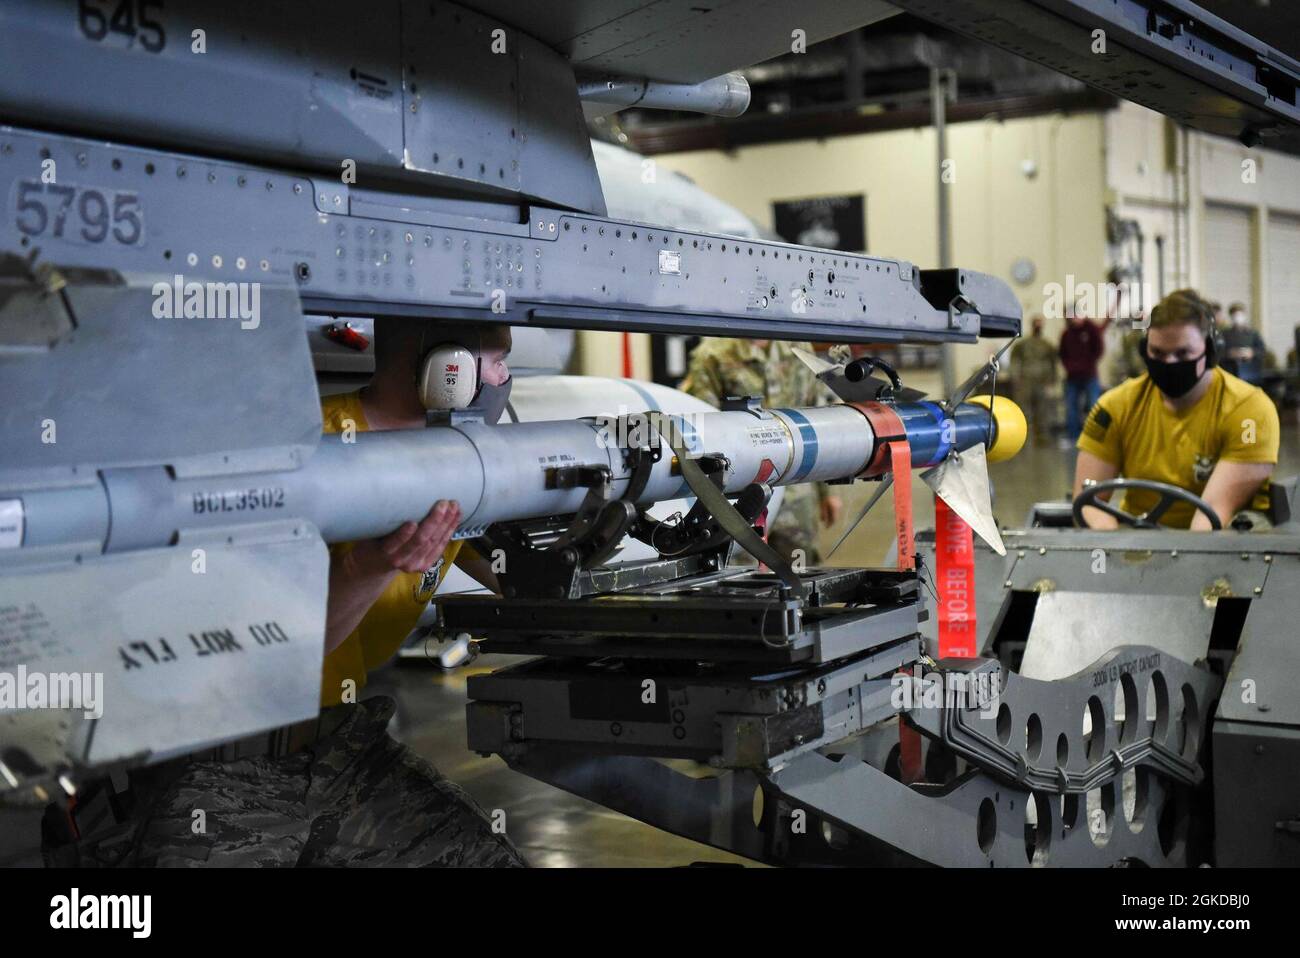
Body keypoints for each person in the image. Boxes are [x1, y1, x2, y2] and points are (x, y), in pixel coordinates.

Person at [122, 319, 526, 867]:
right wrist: (369, 566)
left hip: (338, 747)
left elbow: (524, 580)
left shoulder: (459, 459)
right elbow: (279, 656)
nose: (506, 376)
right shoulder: (304, 453)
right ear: (446, 364)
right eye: (497, 358)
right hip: (221, 762)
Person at [1074, 289, 1279, 530]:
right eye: (1158, 353)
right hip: (1139, 540)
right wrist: (1113, 552)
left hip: (1226, 544)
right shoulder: (1114, 407)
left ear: (1210, 352)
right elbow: (1089, 503)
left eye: (1183, 353)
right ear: (1144, 351)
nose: (1169, 363)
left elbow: (1210, 518)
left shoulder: (1249, 412)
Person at [679, 338, 842, 566]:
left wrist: (828, 489)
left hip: (796, 493)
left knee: (801, 576)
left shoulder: (798, 349)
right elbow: (703, 431)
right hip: (740, 498)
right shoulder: (713, 355)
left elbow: (816, 419)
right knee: (741, 583)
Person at [1058, 303, 1109, 444]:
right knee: (1071, 408)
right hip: (1072, 378)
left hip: (1090, 376)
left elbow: (1099, 349)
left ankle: (1095, 437)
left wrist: (1088, 364)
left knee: (1093, 405)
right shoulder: (1066, 334)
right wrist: (1070, 367)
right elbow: (1062, 354)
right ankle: (1073, 437)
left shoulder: (1091, 329)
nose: (1074, 318)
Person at [1010, 315, 1058, 445]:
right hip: (1025, 381)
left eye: (1040, 324)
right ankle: (1024, 437)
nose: (1038, 326)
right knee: (1024, 410)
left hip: (1042, 381)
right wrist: (1015, 377)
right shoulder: (1023, 344)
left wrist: (1053, 379)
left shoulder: (1047, 345)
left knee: (1042, 410)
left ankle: (1042, 437)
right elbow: (1014, 360)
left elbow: (1054, 363)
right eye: (1036, 323)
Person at [1220, 301, 1268, 385]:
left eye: (1240, 315)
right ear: (1231, 317)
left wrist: (1252, 353)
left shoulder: (1253, 334)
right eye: (1235, 315)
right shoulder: (1224, 334)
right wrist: (1229, 354)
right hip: (1230, 370)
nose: (1237, 318)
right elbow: (1219, 352)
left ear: (1244, 315)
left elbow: (1263, 350)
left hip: (1250, 370)